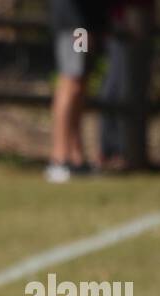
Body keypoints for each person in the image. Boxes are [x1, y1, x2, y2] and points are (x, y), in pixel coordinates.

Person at [46, 0, 108, 182]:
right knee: (71, 82)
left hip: (84, 26)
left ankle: (76, 157)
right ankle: (59, 158)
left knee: (80, 83)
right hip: (74, 26)